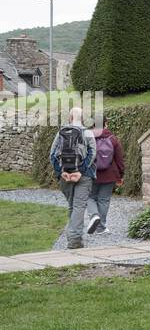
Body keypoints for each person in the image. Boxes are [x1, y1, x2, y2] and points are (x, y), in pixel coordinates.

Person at [49, 106, 97, 250]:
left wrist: (62, 172)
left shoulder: (61, 132)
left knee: (72, 206)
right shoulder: (87, 132)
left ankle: (73, 236)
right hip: (84, 176)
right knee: (79, 206)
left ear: (70, 118)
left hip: (65, 175)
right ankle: (75, 240)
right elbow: (92, 153)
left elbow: (52, 155)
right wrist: (80, 171)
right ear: (82, 119)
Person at [88, 125, 125, 235]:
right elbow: (120, 160)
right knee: (104, 200)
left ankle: (94, 215)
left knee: (89, 197)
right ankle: (101, 227)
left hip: (91, 174)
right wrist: (120, 176)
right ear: (106, 124)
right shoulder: (113, 139)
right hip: (110, 175)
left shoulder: (87, 138)